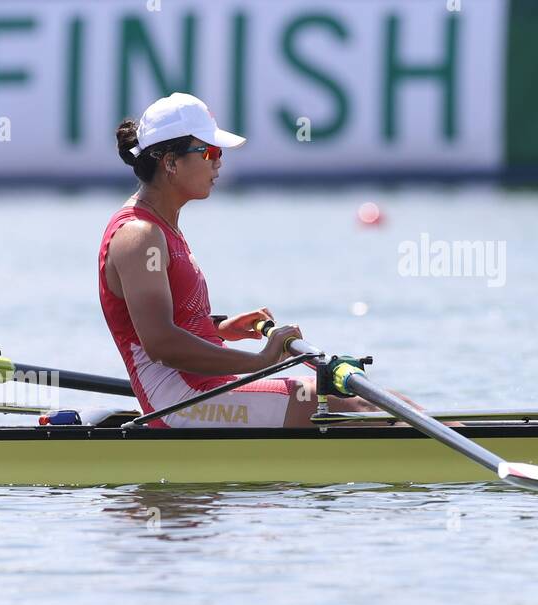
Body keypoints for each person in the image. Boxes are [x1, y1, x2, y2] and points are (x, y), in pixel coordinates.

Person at [101, 92, 406, 428]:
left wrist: (220, 329)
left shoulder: (160, 227)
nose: (218, 162)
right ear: (170, 162)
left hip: (203, 392)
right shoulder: (140, 235)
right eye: (209, 152)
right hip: (180, 405)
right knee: (361, 405)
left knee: (387, 401)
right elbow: (160, 343)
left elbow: (170, 321)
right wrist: (261, 361)